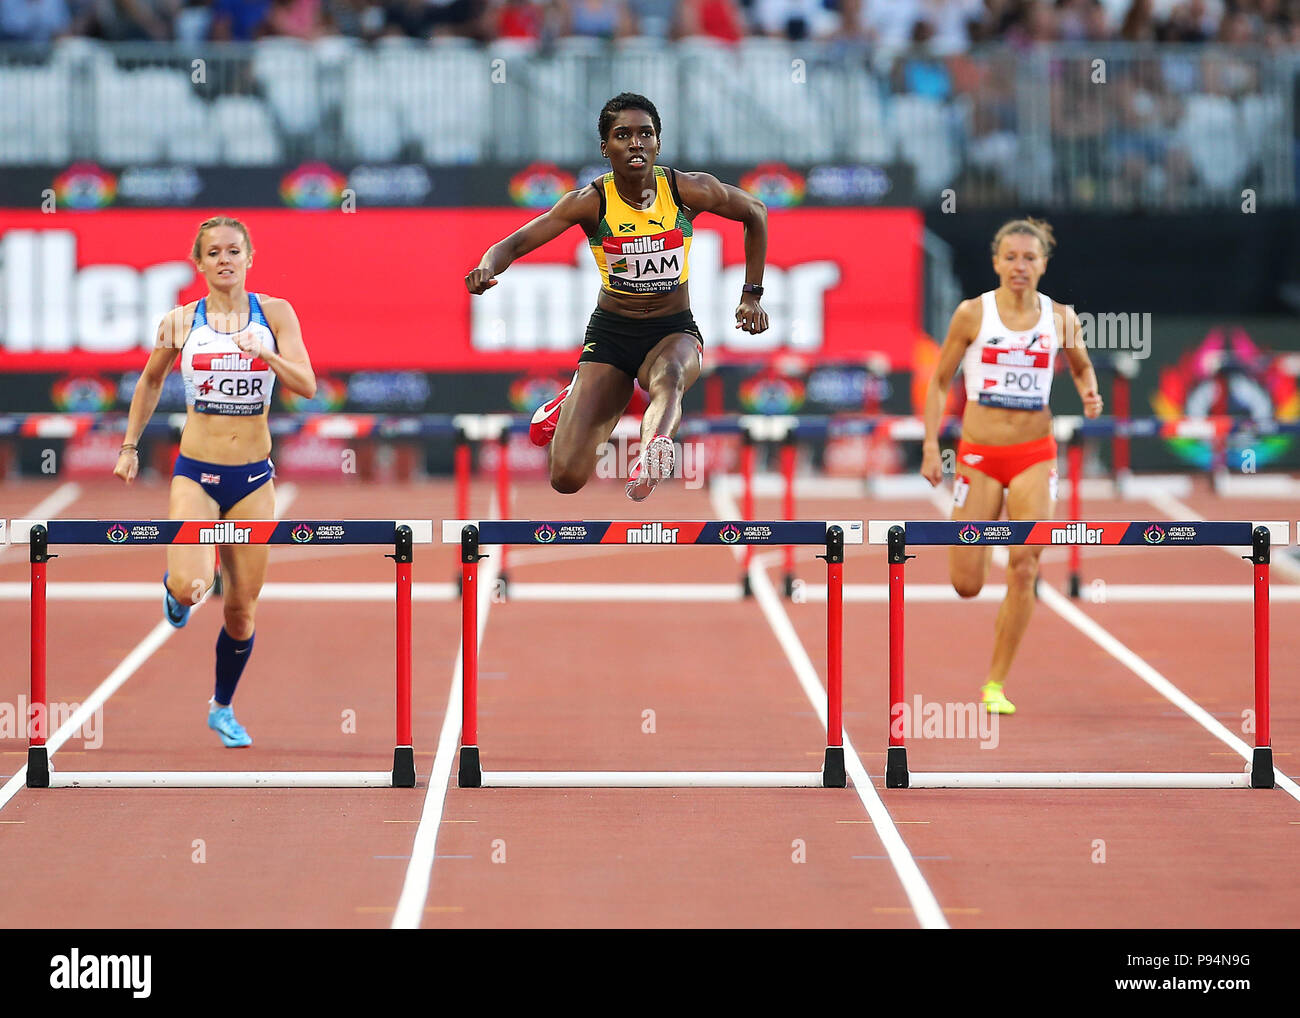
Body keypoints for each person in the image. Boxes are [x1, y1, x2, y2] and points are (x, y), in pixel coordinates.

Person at [465, 92, 769, 500]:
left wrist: (752, 294)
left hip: (671, 329)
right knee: (566, 477)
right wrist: (487, 265)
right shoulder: (590, 202)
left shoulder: (686, 191)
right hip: (611, 335)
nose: (636, 143)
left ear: (659, 143)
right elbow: (514, 244)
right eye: (623, 135)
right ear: (605, 147)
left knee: (671, 378)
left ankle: (652, 453)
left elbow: (756, 212)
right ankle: (570, 400)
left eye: (646, 134)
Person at [113, 216, 316, 747]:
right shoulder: (181, 322)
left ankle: (222, 707)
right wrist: (130, 446)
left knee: (241, 609)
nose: (224, 259)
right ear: (199, 263)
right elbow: (151, 380)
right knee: (191, 585)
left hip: (253, 481)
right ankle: (176, 593)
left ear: (250, 257)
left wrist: (265, 352)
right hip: (195, 477)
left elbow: (308, 385)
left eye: (233, 250)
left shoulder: (276, 313)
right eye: (213, 253)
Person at [920, 218, 1102, 715]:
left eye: (1030, 258)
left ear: (1043, 264)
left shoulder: (1061, 317)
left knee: (1025, 566)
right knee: (967, 583)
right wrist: (932, 445)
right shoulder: (971, 314)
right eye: (1011, 257)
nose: (1020, 266)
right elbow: (939, 383)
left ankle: (995, 684)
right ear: (996, 261)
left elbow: (1082, 363)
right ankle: (973, 572)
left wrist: (1088, 389)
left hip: (1033, 455)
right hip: (979, 456)